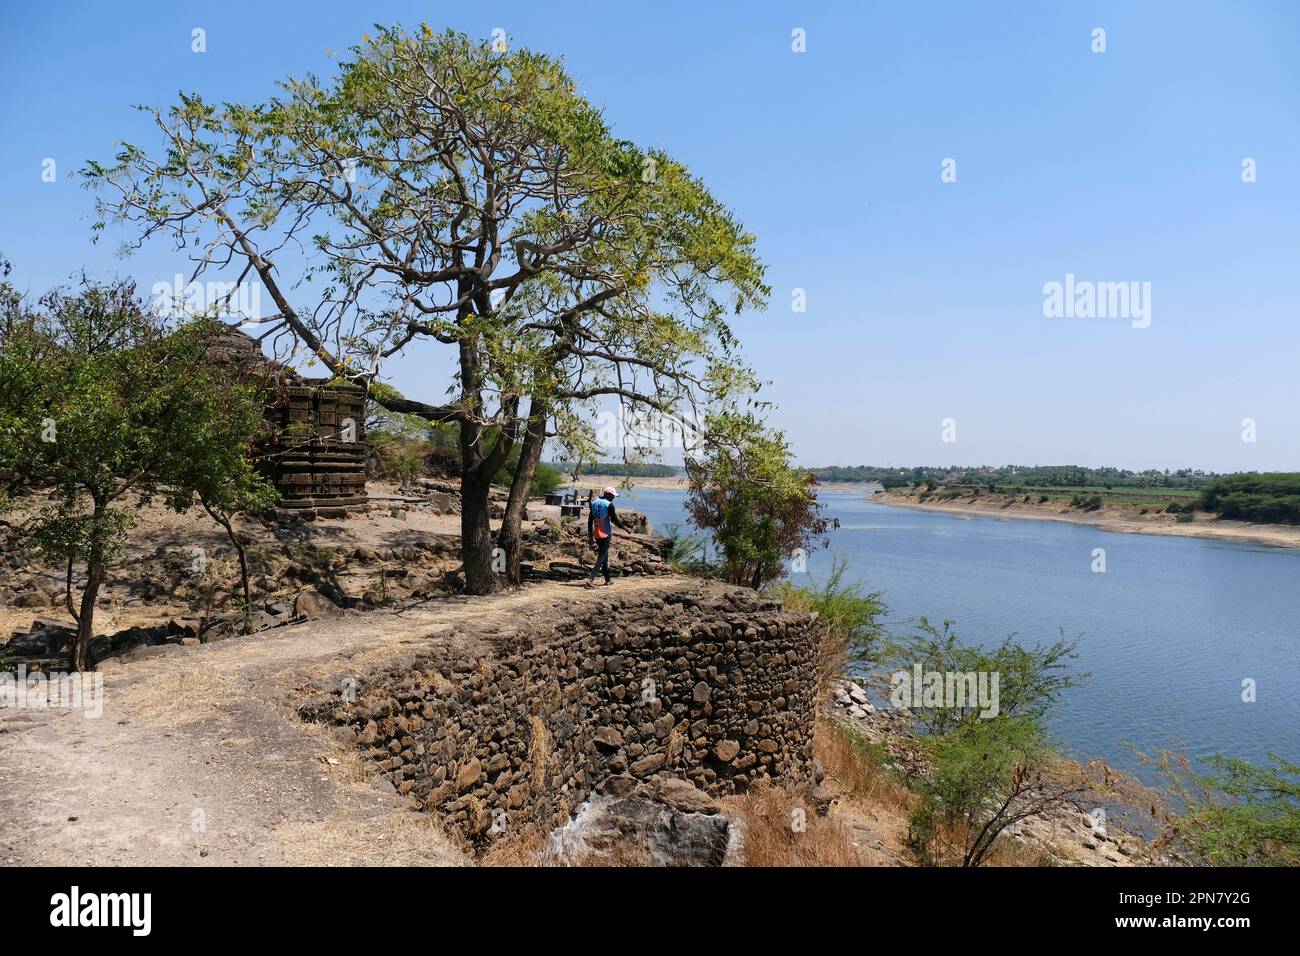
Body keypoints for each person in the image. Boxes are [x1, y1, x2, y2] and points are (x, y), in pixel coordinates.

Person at [586, 486, 627, 587]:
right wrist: (626, 529)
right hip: (605, 534)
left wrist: (590, 536)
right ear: (608, 495)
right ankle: (591, 579)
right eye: (613, 496)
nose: (613, 498)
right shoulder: (609, 505)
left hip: (596, 534)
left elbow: (590, 520)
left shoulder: (594, 502)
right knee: (601, 557)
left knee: (604, 557)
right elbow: (615, 521)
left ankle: (607, 580)